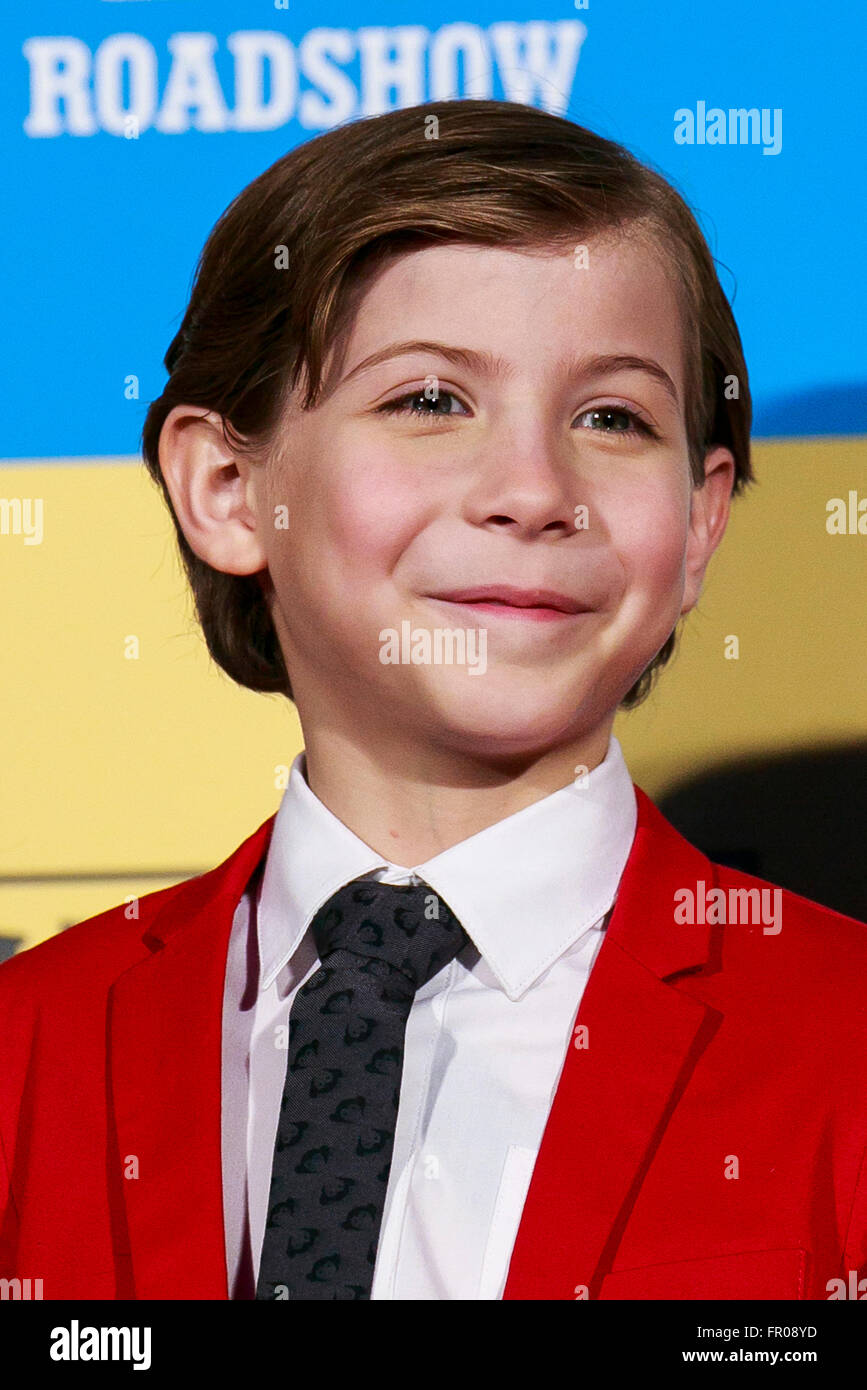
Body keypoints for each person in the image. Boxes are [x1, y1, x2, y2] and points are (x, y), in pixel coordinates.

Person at [1, 99, 864, 1302]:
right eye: (430, 401)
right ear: (229, 488)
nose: (532, 490)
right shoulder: (24, 1048)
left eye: (612, 417)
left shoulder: (845, 1042)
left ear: (701, 520)